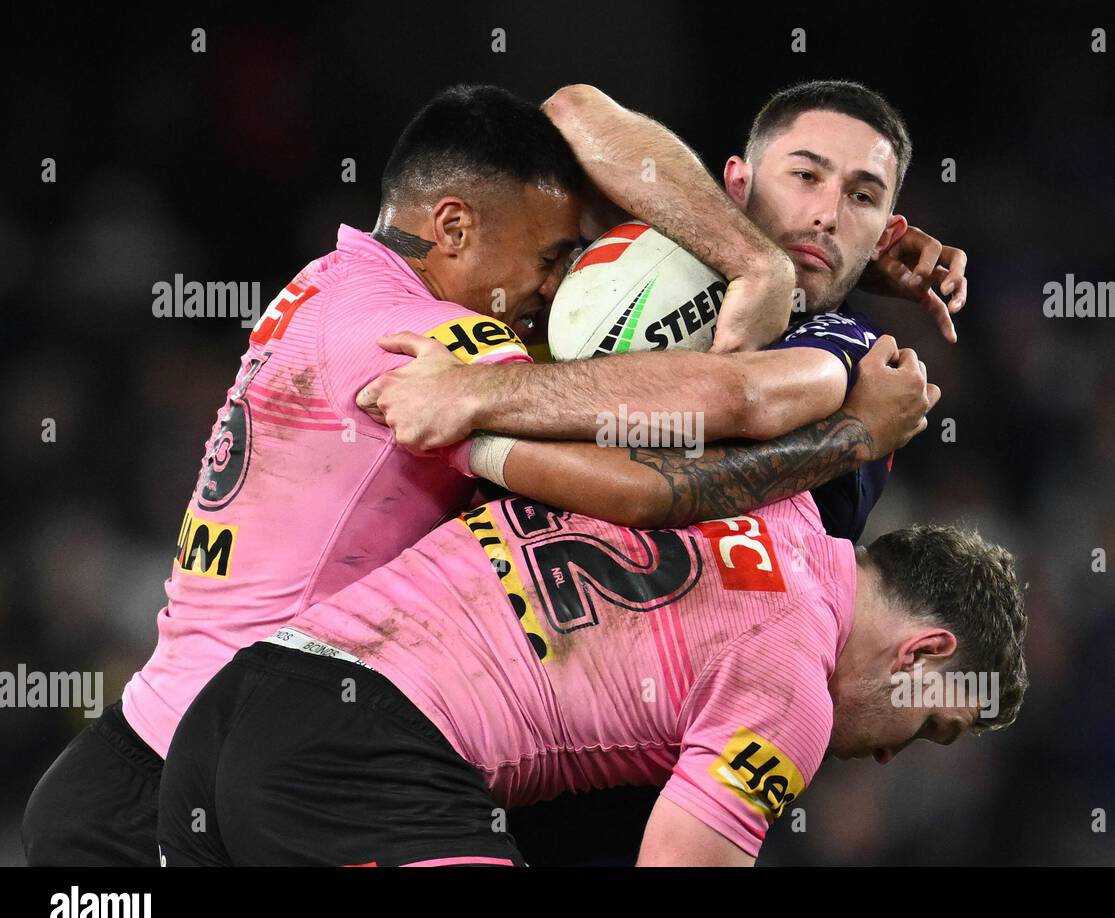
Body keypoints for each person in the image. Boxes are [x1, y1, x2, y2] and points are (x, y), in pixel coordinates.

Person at [22, 83, 934, 866]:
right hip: (219, 764)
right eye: (546, 260)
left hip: (160, 741)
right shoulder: (424, 344)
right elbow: (651, 470)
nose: (551, 291)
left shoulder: (334, 281)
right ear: (453, 226)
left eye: (860, 194)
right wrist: (842, 408)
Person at [156, 487, 1027, 867]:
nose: (890, 756)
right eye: (928, 726)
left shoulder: (772, 483)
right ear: (923, 653)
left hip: (237, 703)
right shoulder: (792, 686)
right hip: (365, 759)